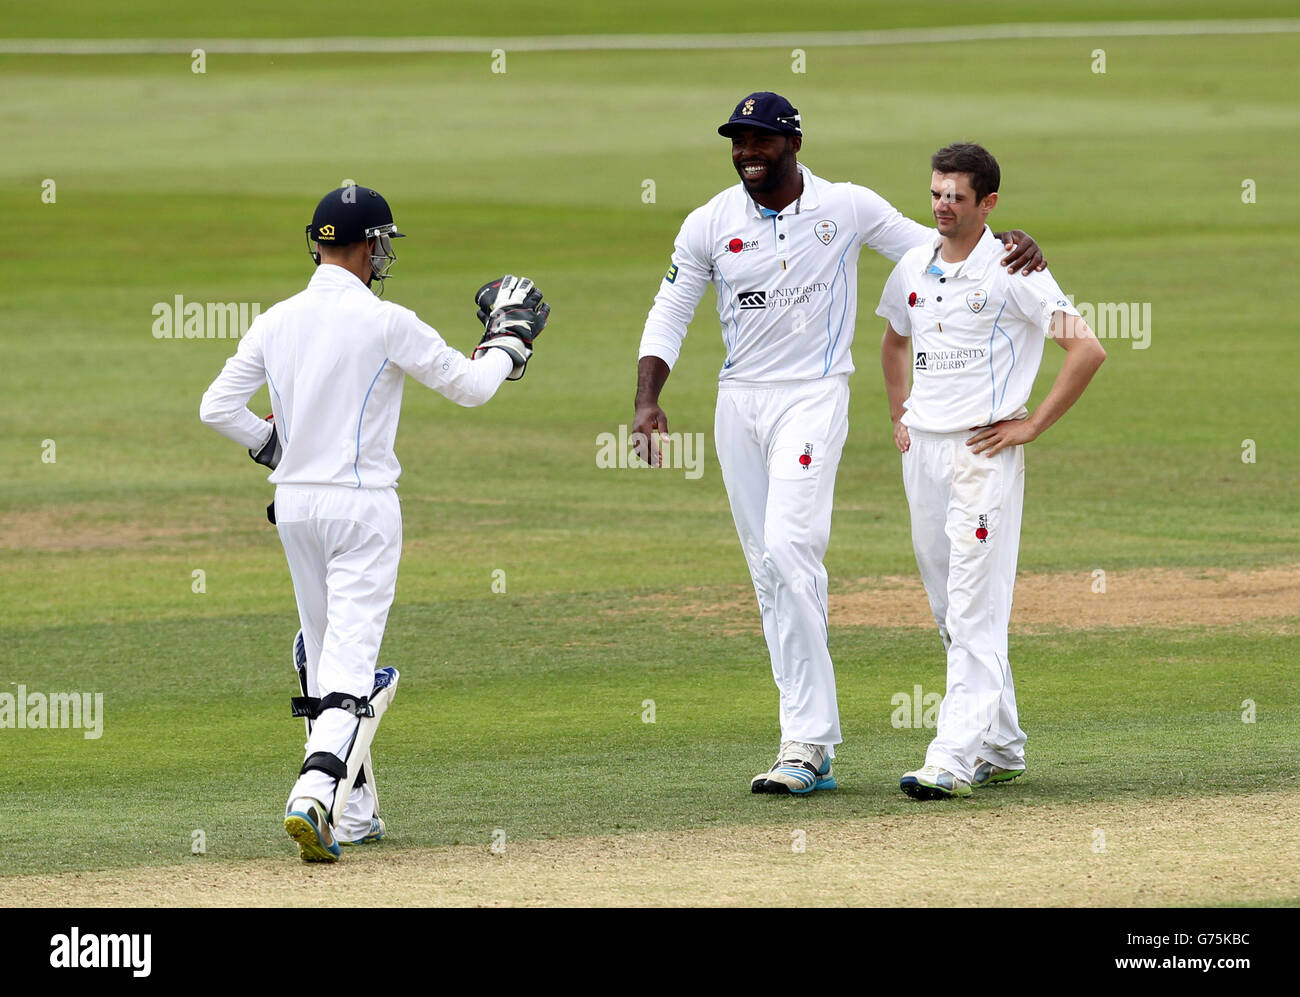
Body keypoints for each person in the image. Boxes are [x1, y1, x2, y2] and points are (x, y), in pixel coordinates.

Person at [633, 93, 1045, 794]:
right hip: (741, 401)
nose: (747, 154)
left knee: (791, 545)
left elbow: (937, 242)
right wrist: (647, 398)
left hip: (815, 393)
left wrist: (1011, 244)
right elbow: (670, 308)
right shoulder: (710, 221)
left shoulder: (845, 207)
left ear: (792, 143)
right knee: (768, 566)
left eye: (760, 141)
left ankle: (809, 740)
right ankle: (996, 738)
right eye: (738, 142)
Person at [199, 185, 548, 860]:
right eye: (381, 243)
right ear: (369, 247)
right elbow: (474, 387)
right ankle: (313, 793)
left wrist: (273, 444)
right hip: (362, 509)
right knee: (351, 671)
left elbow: (218, 408)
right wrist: (510, 337)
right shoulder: (388, 321)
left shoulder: (276, 319)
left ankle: (355, 814)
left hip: (295, 505)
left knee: (326, 652)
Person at [876, 142, 1105, 800]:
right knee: (950, 605)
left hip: (984, 452)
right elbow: (894, 338)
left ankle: (951, 755)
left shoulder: (1014, 266)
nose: (944, 206)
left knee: (975, 604)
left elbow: (1086, 347)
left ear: (989, 204)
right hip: (922, 450)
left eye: (957, 196)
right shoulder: (913, 266)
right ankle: (1001, 743)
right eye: (936, 194)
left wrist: (1030, 426)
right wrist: (900, 411)